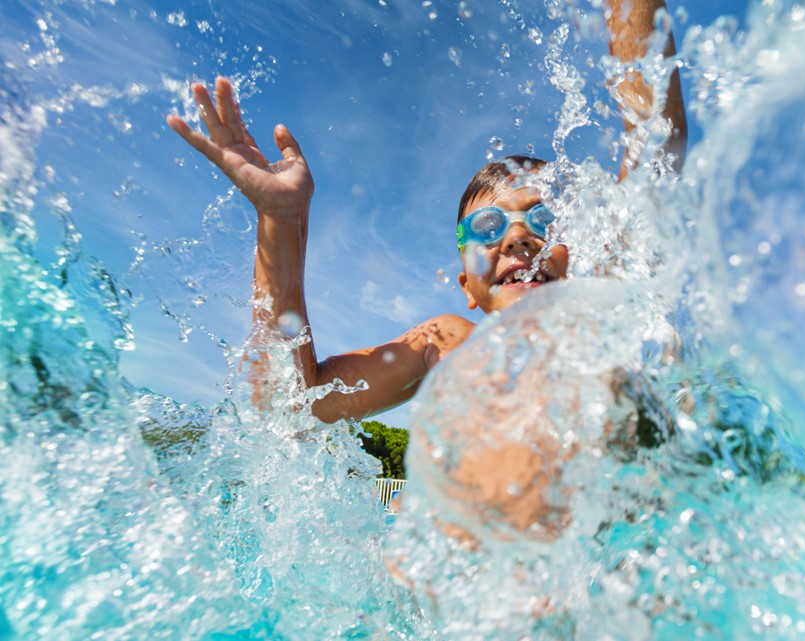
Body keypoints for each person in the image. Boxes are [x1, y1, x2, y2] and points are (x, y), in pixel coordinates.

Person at [166, 0, 687, 536]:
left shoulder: (612, 321)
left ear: (581, 248)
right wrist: (281, 222)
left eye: (545, 218)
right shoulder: (447, 342)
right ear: (467, 287)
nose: (519, 237)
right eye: (487, 227)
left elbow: (656, 150)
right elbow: (289, 408)